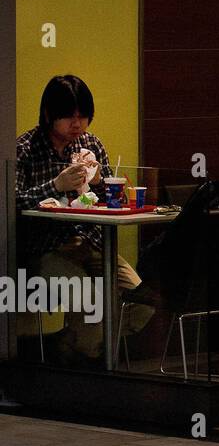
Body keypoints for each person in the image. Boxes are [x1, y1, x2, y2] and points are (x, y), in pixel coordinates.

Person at [15, 75, 147, 363]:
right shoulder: (25, 148)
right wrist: (56, 186)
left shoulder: (91, 145)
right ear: (49, 115)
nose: (78, 125)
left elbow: (115, 202)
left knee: (143, 299)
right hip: (46, 247)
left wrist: (100, 182)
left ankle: (70, 344)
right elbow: (12, 203)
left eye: (83, 116)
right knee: (88, 300)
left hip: (93, 242)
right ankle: (85, 358)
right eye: (69, 117)